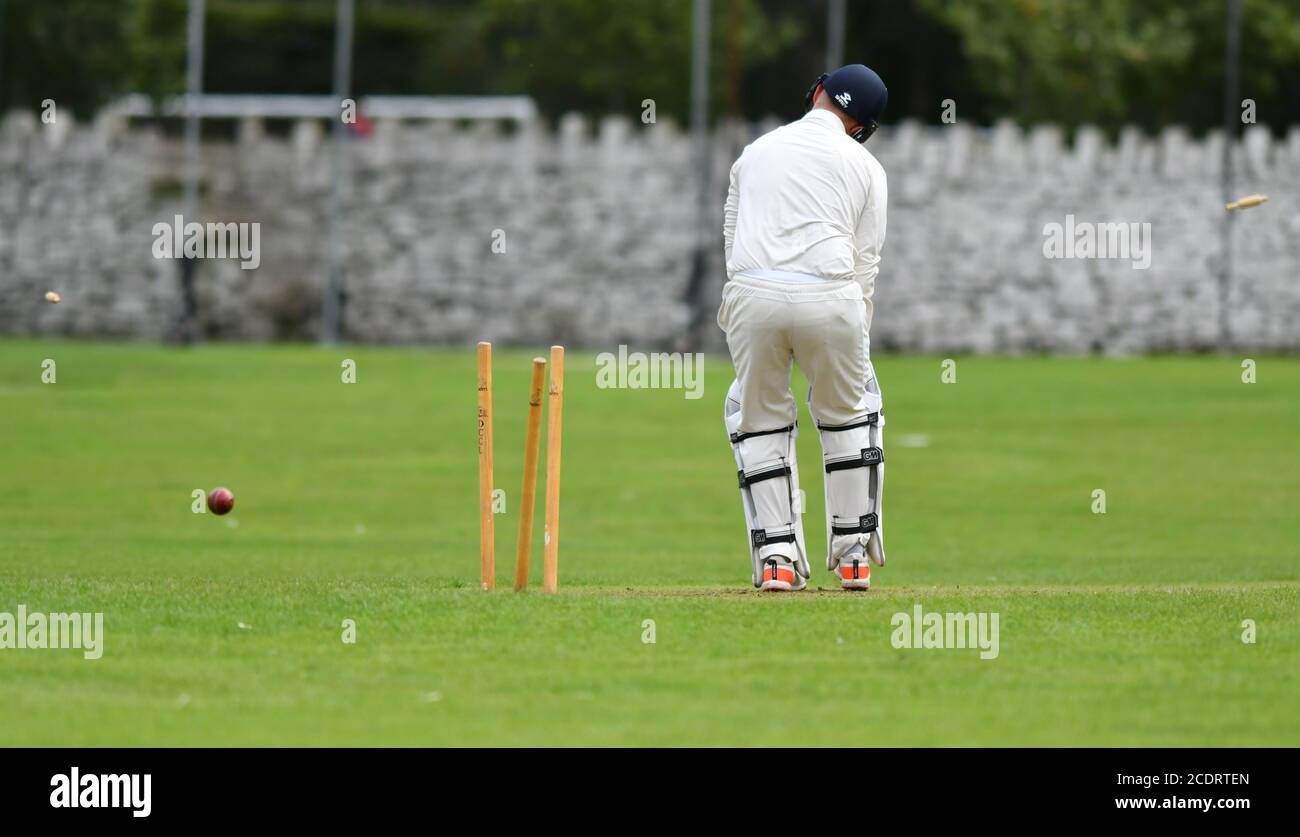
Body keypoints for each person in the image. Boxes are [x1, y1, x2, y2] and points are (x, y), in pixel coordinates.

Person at [719, 63, 889, 592]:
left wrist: (749, 302)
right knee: (848, 414)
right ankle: (854, 555)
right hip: (831, 296)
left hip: (754, 294)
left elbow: (732, 241)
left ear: (816, 91)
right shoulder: (866, 166)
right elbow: (866, 262)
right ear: (862, 125)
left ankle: (776, 560)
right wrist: (853, 329)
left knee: (761, 419)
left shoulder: (754, 153)